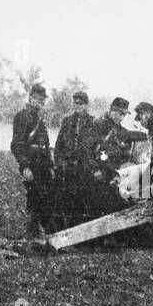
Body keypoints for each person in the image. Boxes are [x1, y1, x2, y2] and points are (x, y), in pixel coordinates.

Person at [10, 83, 54, 237]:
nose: (38, 102)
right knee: (34, 199)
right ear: (30, 98)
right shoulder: (21, 117)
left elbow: (46, 145)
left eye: (41, 100)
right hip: (32, 165)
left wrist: (51, 165)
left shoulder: (39, 119)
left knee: (46, 198)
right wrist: (25, 167)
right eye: (35, 99)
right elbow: (16, 145)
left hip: (43, 166)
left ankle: (45, 234)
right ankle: (33, 234)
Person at [53, 90, 95, 225]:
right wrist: (60, 162)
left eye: (81, 103)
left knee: (85, 199)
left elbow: (95, 147)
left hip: (84, 168)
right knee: (68, 200)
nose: (78, 106)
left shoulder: (92, 122)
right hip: (68, 167)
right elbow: (58, 145)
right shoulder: (67, 121)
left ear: (86, 105)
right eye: (76, 103)